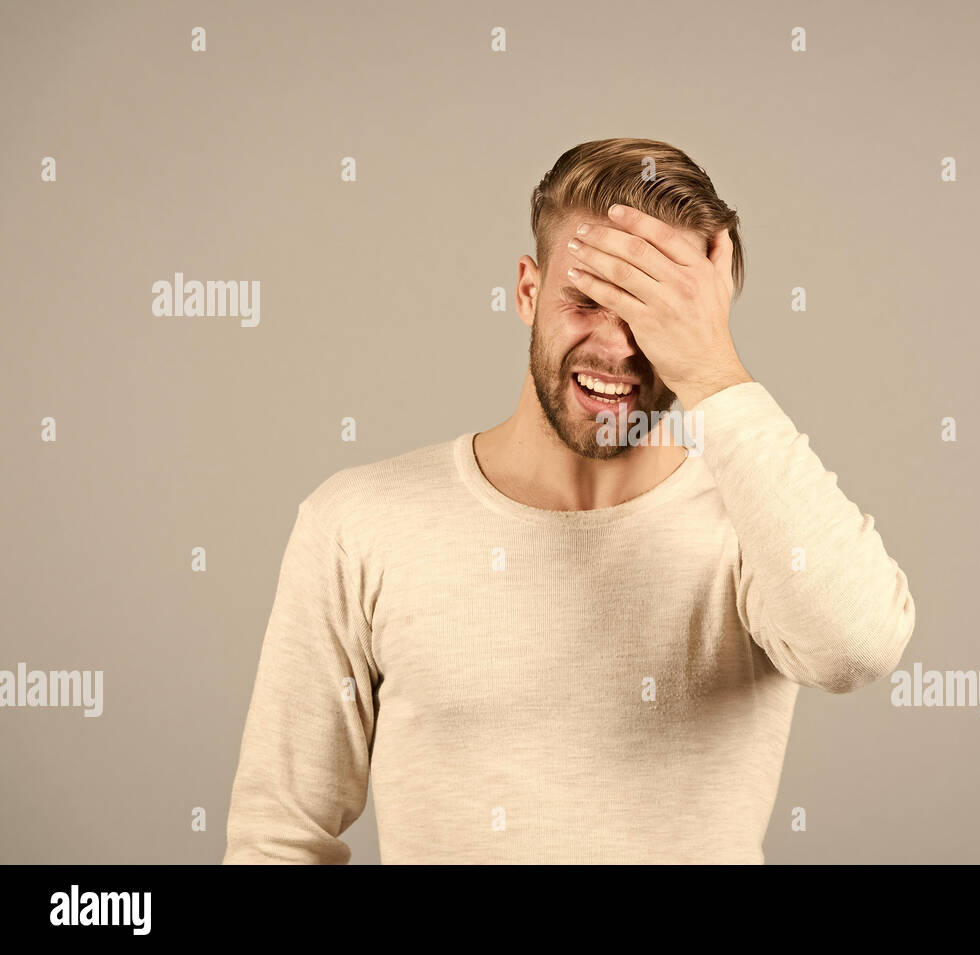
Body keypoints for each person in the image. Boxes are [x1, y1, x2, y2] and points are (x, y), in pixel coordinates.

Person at [223, 137, 916, 864]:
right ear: (527, 290)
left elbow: (857, 646)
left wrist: (714, 373)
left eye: (657, 313)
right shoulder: (358, 524)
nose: (617, 345)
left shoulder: (756, 525)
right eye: (587, 298)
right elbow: (279, 837)